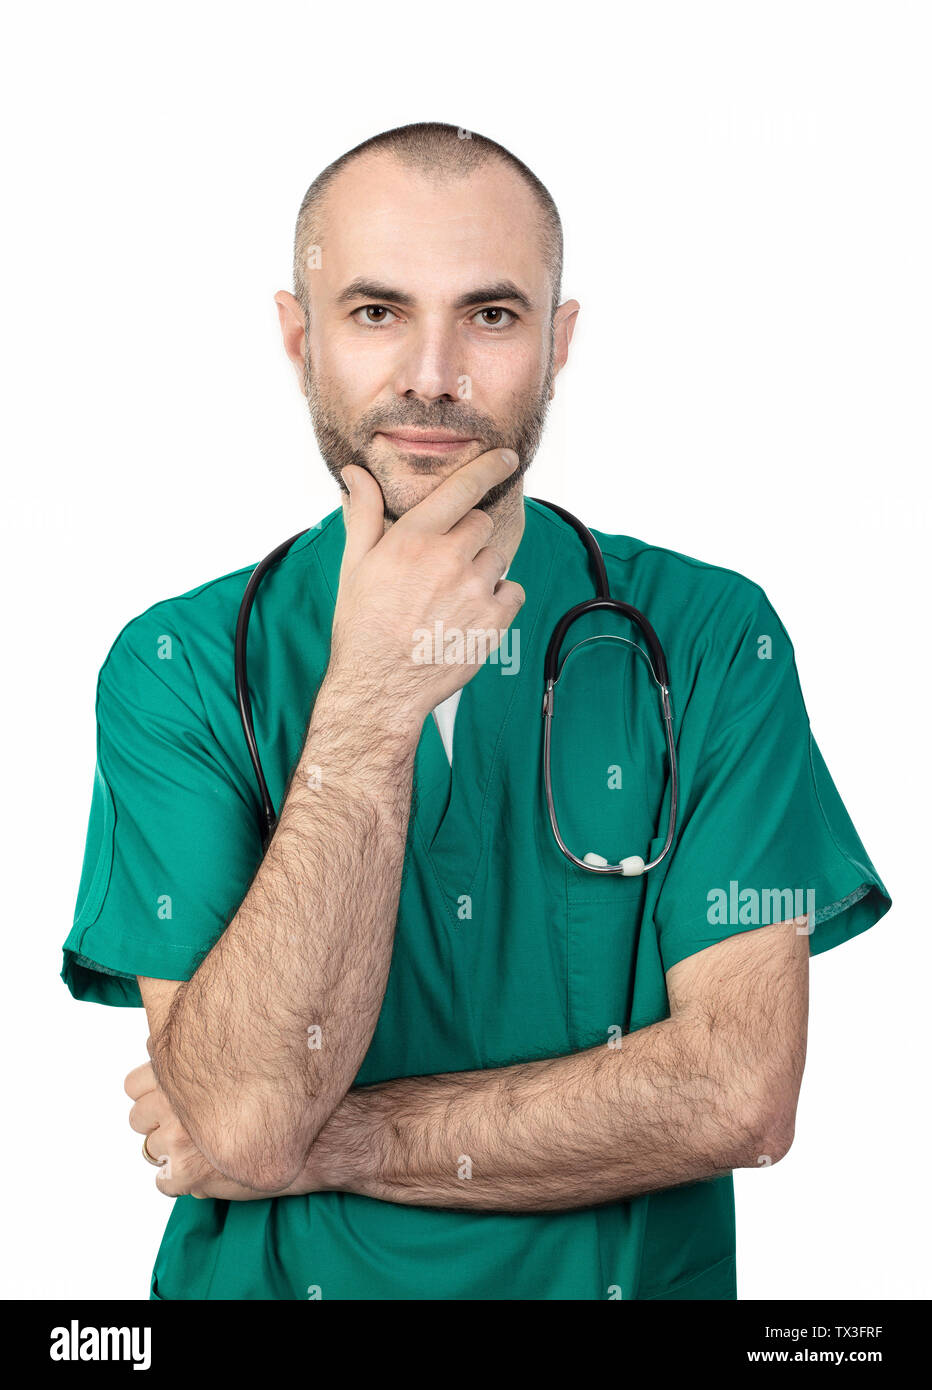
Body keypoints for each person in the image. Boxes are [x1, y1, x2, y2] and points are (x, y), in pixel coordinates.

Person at [63, 122, 891, 1301]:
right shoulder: (182, 666)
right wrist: (365, 707)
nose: (433, 375)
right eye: (375, 312)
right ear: (298, 338)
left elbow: (737, 1093)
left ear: (556, 345)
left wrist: (332, 1138)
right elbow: (243, 1119)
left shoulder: (708, 637)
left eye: (491, 316)